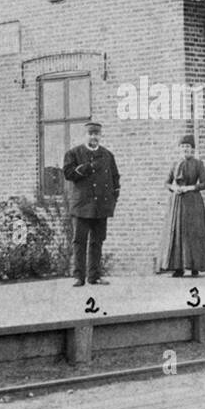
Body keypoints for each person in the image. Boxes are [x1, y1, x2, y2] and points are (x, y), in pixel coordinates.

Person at [63, 121, 120, 286]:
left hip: (101, 206)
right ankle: (78, 277)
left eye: (97, 134)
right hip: (81, 205)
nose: (94, 137)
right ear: (85, 135)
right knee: (79, 241)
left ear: (100, 136)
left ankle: (94, 276)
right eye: (91, 133)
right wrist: (87, 167)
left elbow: (115, 179)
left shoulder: (108, 155)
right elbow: (68, 174)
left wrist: (112, 200)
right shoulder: (73, 153)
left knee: (97, 241)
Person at [160, 134, 205, 278]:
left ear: (192, 149)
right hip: (177, 202)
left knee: (194, 232)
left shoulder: (198, 164)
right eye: (183, 147)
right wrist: (174, 188)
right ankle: (178, 267)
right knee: (178, 233)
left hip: (193, 202)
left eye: (188, 147)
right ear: (179, 149)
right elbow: (167, 182)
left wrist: (189, 188)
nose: (185, 149)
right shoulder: (175, 164)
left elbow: (204, 184)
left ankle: (195, 266)